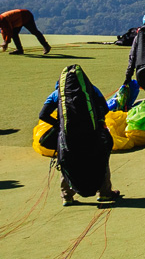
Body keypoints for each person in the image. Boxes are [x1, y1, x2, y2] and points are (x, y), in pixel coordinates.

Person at [38, 73, 122, 206]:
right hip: (91, 133)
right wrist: (98, 122)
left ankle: (67, 196)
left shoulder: (56, 93)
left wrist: (59, 125)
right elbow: (104, 108)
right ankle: (104, 193)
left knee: (67, 162)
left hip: (67, 136)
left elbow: (43, 114)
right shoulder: (91, 89)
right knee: (100, 159)